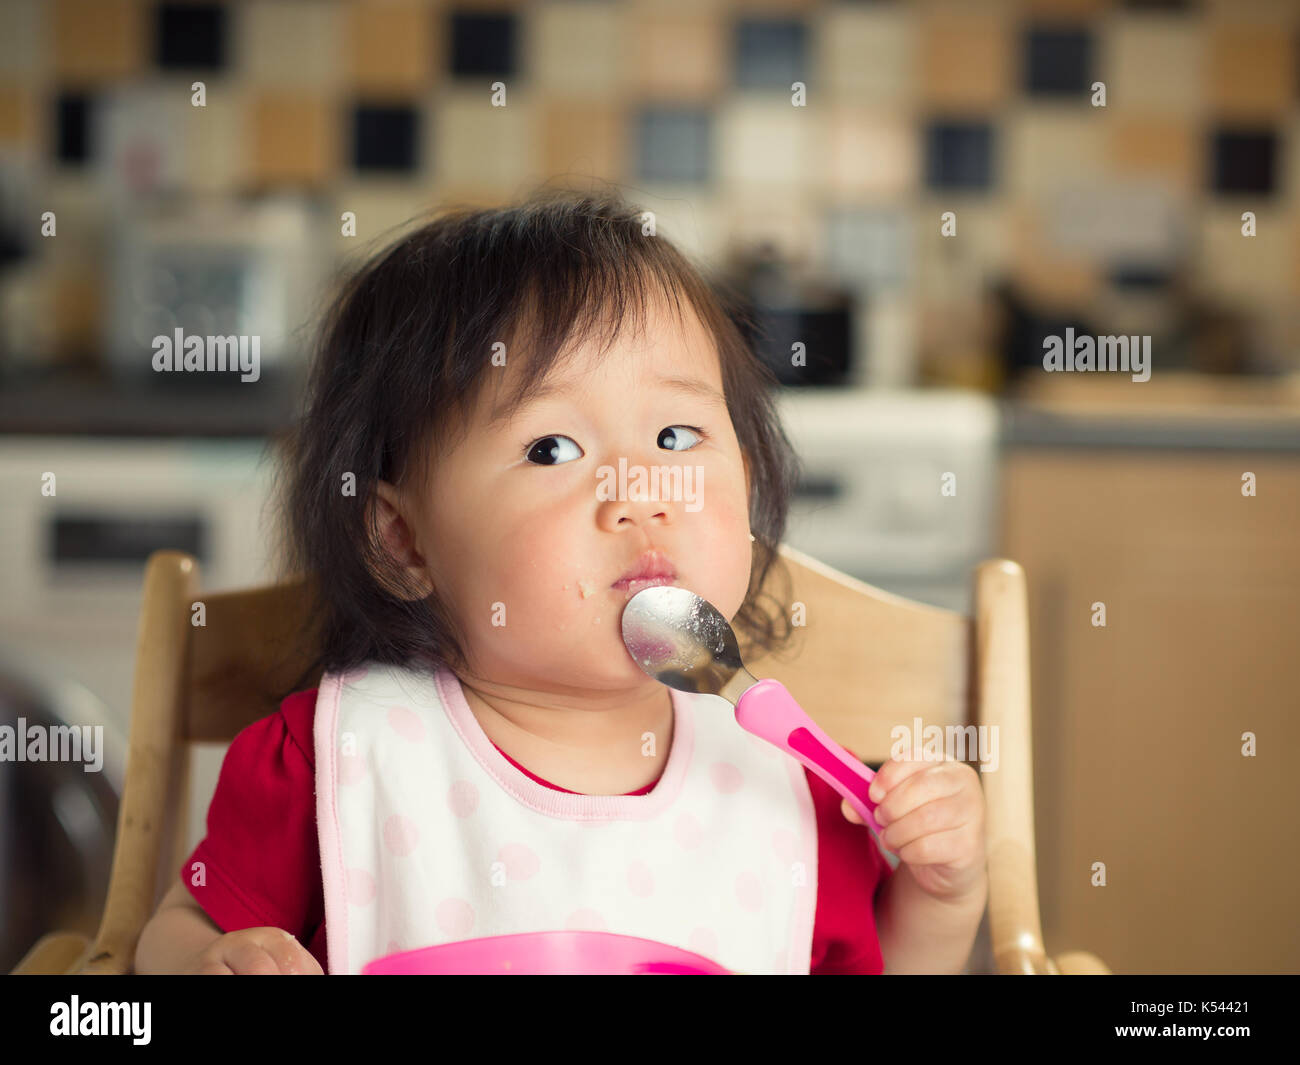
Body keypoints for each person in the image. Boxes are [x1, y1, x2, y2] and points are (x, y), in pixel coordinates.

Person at [135, 189, 986, 975]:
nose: (642, 496)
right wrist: (203, 959)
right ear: (404, 541)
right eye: (552, 449)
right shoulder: (337, 759)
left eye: (678, 436)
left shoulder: (785, 793)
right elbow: (178, 926)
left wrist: (940, 892)